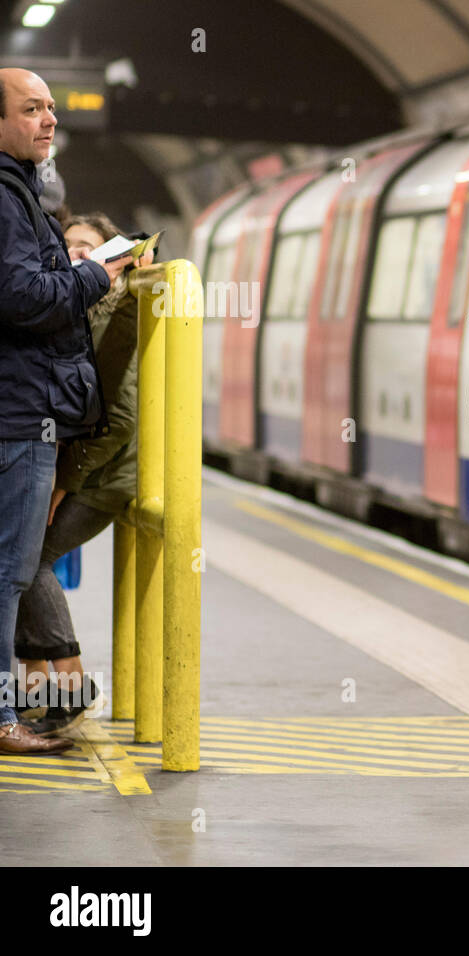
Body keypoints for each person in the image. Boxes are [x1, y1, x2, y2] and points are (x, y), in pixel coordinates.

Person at [0, 68, 132, 755]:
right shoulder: (6, 196)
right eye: (32, 109)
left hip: (28, 411)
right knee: (10, 570)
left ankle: (29, 701)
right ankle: (18, 708)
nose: (49, 119)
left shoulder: (19, 190)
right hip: (20, 412)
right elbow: (23, 297)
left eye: (52, 107)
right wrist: (91, 277)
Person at [17, 213, 152, 736]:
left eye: (88, 248)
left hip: (108, 474)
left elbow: (117, 421)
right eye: (67, 246)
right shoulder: (79, 312)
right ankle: (35, 690)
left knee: (34, 556)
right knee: (22, 556)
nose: (76, 256)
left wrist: (62, 481)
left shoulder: (114, 314)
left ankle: (70, 686)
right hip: (84, 469)